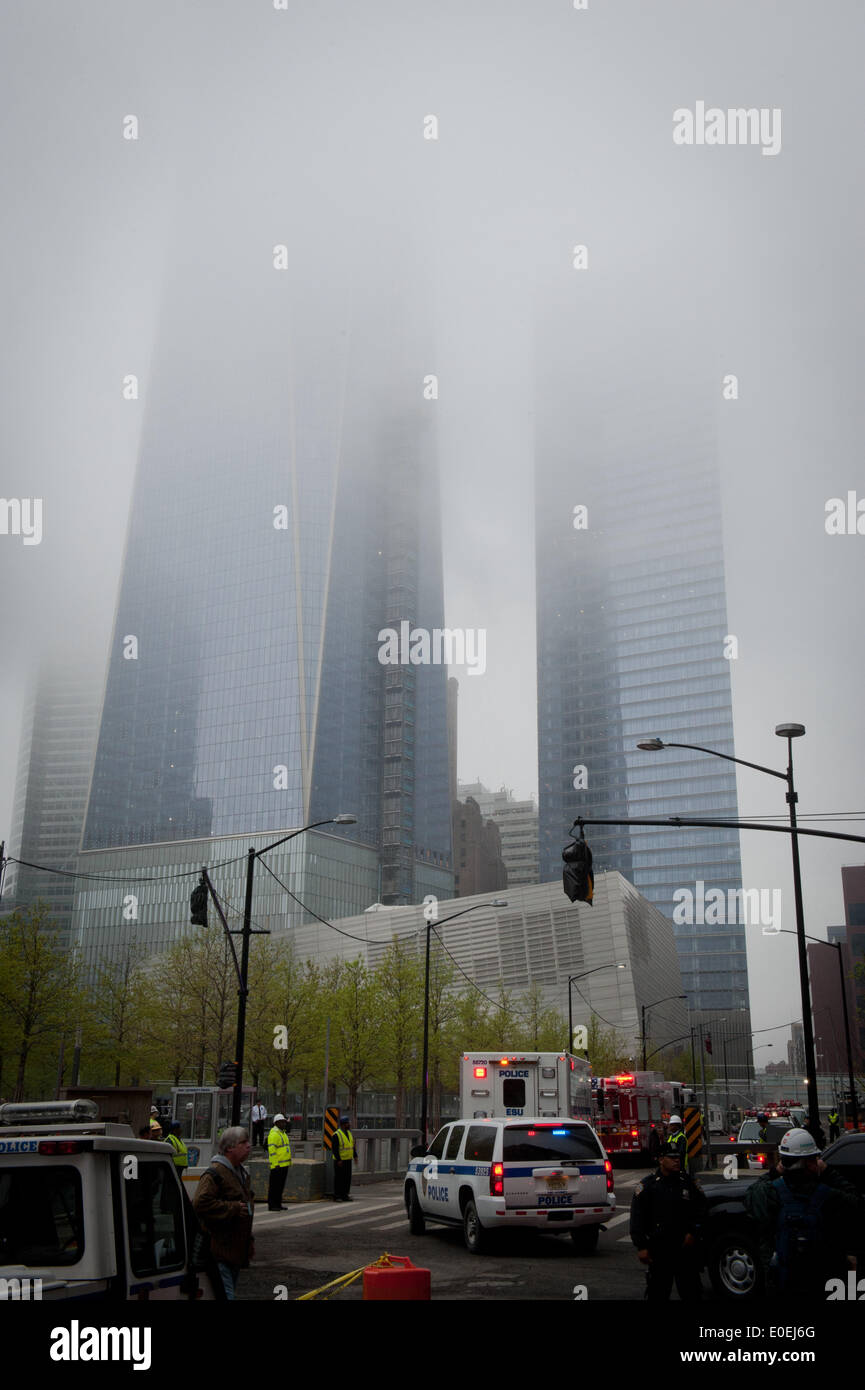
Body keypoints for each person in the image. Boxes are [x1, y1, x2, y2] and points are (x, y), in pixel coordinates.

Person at [743, 1127, 862, 1298]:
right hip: (822, 1284)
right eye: (815, 1158)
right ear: (810, 1163)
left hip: (783, 1283)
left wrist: (775, 1171)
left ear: (784, 1162)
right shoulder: (828, 1196)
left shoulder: (770, 1193)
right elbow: (855, 1202)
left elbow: (751, 1195)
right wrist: (828, 1172)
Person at [629, 1140, 706, 1301]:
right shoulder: (648, 1186)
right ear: (661, 1159)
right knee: (658, 1292)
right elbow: (637, 1217)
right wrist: (641, 1246)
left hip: (684, 1248)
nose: (677, 1160)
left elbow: (701, 1209)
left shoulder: (687, 1182)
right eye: (672, 1157)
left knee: (691, 1291)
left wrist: (693, 1232)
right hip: (660, 1250)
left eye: (678, 1157)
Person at [192, 1126, 255, 1301]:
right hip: (219, 1252)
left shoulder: (239, 1172)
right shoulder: (216, 1173)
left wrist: (249, 1241)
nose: (249, 1146)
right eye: (243, 1142)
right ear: (229, 1148)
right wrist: (233, 1208)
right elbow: (200, 1202)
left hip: (234, 1253)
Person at [266, 1113, 292, 1210]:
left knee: (280, 1186)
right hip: (277, 1166)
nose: (284, 1124)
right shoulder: (274, 1134)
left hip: (284, 1164)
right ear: (276, 1123)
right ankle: (272, 1205)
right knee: (274, 1186)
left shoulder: (282, 1133)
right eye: (281, 1122)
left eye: (284, 1122)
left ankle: (278, 1204)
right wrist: (275, 1164)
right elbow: (272, 1151)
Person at [332, 1115, 355, 1202]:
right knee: (339, 1179)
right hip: (340, 1161)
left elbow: (352, 1145)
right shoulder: (336, 1135)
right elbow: (335, 1149)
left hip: (348, 1159)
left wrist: (355, 1155)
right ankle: (337, 1196)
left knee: (347, 1179)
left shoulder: (349, 1133)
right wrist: (338, 1160)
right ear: (343, 1124)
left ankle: (345, 1195)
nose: (349, 1124)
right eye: (348, 1123)